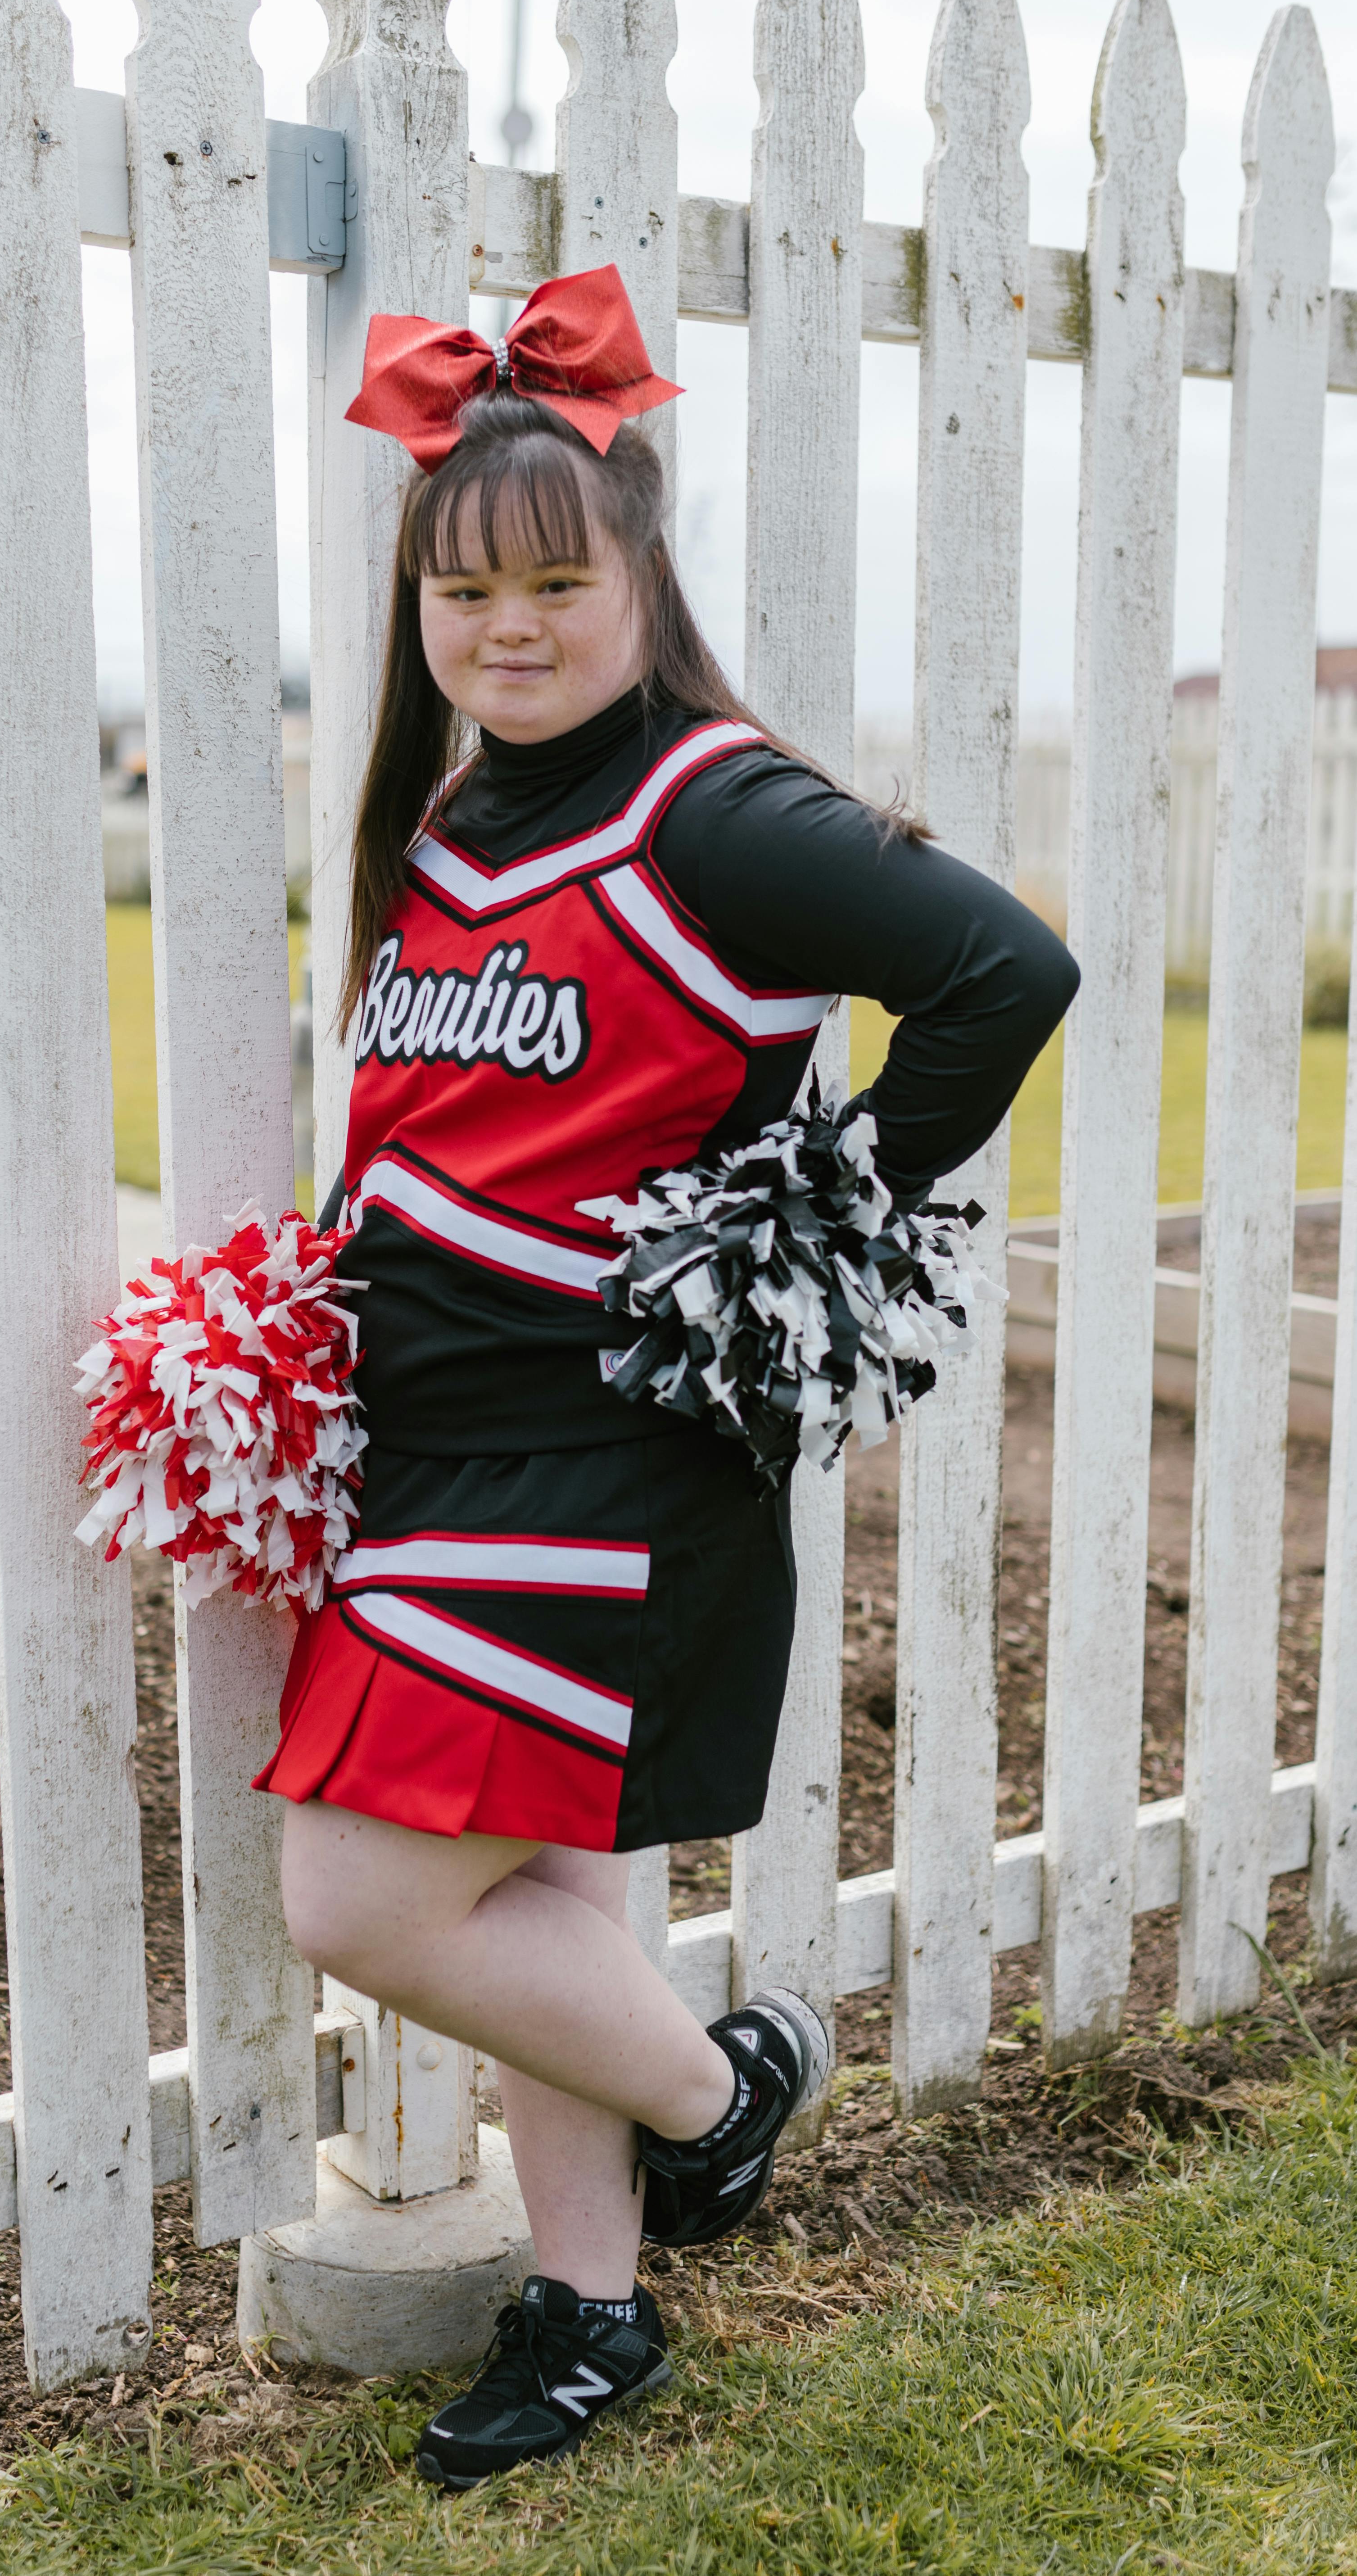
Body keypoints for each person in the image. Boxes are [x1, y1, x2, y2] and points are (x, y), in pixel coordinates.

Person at [255, 266, 1078, 2487]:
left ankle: (719, 2098)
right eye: (462, 592)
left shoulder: (709, 811)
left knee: (362, 1899)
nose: (504, 629)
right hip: (438, 1443)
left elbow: (1003, 971)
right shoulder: (456, 821)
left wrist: (814, 1216)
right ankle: (591, 2310)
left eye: (554, 583)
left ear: (641, 578)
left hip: (598, 1453)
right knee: (542, 1900)